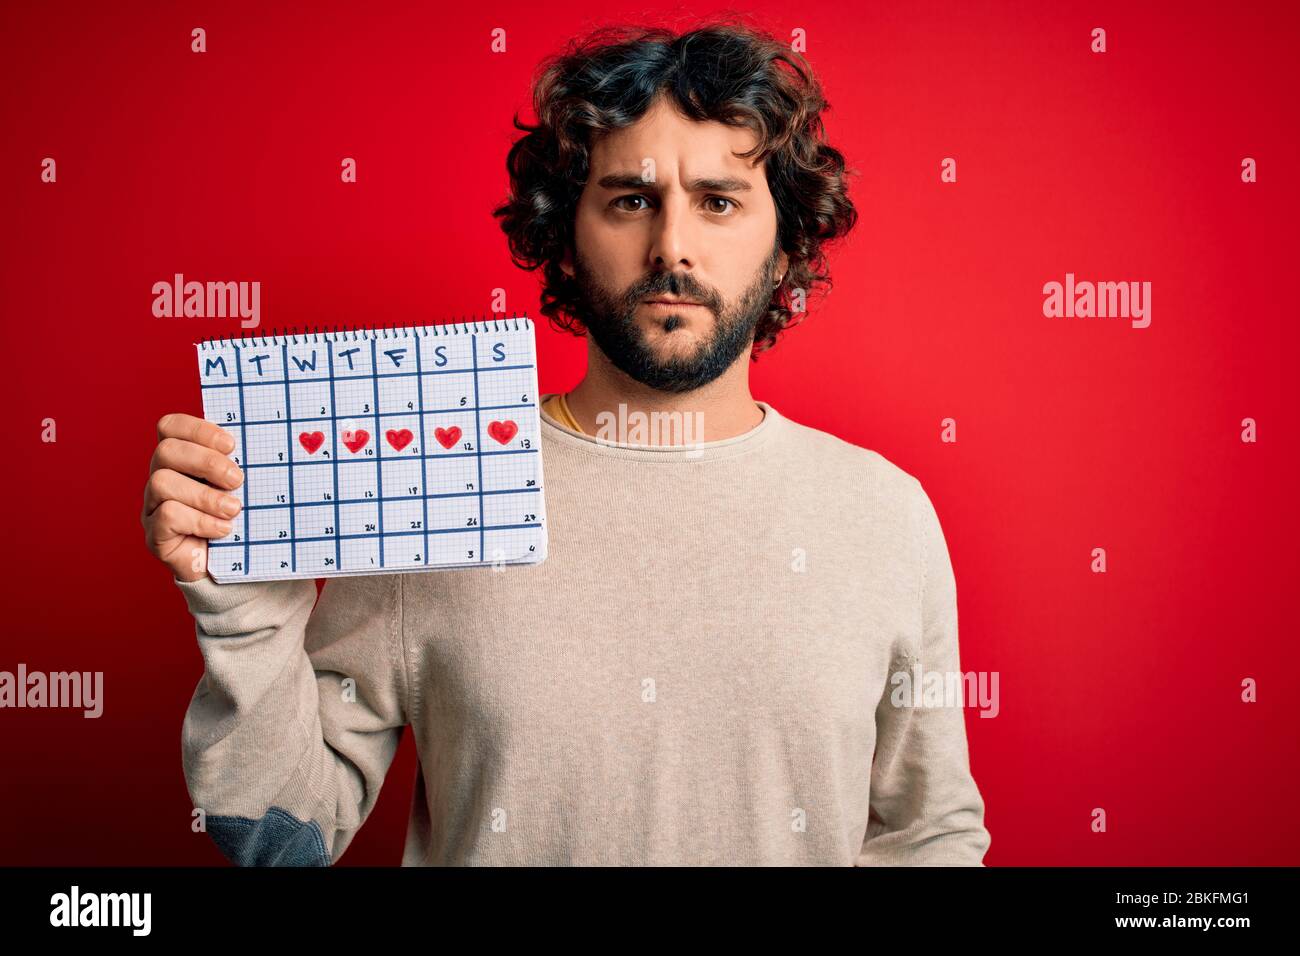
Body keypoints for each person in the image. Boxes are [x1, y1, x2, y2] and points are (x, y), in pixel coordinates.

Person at [141, 21, 990, 866]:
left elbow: (932, 835)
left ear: (781, 251)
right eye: (630, 200)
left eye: (719, 202)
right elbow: (282, 839)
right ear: (569, 244)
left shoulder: (884, 516)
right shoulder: (439, 485)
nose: (672, 248)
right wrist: (244, 609)